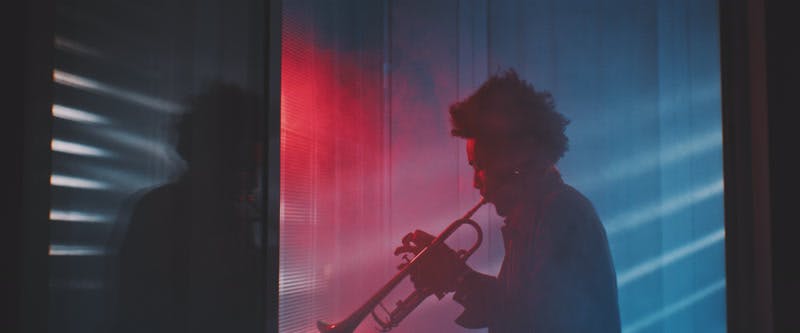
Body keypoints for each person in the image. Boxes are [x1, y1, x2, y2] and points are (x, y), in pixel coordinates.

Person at [398, 70, 621, 332]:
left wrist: (458, 277)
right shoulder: (534, 218)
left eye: (479, 166)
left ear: (515, 160)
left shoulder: (562, 214)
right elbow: (519, 311)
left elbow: (540, 324)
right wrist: (456, 278)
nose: (475, 182)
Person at [111, 83, 263, 333]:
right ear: (214, 155)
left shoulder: (231, 219)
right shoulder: (162, 214)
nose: (254, 182)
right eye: (245, 165)